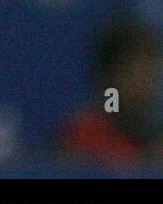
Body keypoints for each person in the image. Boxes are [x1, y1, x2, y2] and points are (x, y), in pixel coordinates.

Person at [58, 19, 160, 167]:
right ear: (109, 76)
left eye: (148, 70)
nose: (142, 83)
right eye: (132, 72)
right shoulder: (84, 134)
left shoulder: (154, 133)